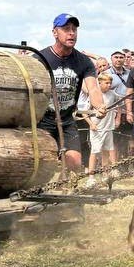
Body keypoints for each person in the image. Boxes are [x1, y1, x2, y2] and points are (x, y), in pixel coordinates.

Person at [37, 13, 104, 176]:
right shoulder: (39, 58)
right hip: (42, 121)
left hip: (67, 121)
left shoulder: (84, 62)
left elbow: (93, 88)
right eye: (66, 29)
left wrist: (99, 106)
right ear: (55, 32)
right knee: (42, 165)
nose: (72, 33)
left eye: (74, 29)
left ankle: (64, 197)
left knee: (74, 162)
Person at [78, 72, 120, 187]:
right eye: (106, 83)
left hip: (108, 128)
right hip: (97, 129)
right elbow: (84, 113)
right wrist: (91, 124)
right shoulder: (94, 95)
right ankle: (91, 178)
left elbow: (119, 105)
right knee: (94, 152)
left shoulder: (112, 94)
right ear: (99, 83)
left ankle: (105, 175)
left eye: (110, 83)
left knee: (106, 152)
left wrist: (117, 118)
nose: (109, 85)